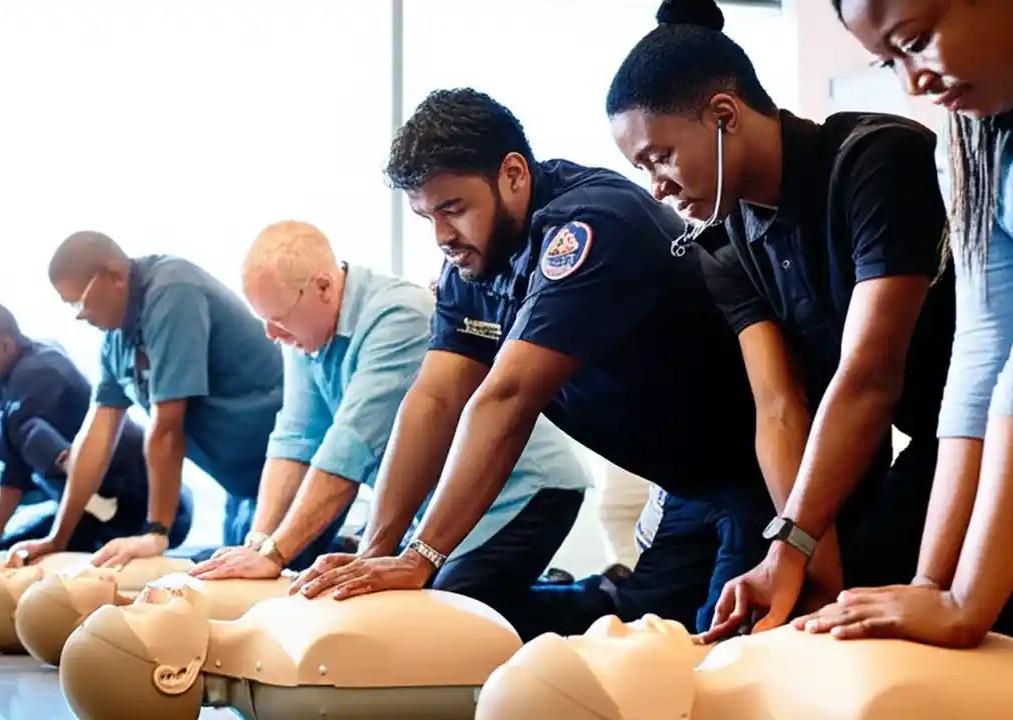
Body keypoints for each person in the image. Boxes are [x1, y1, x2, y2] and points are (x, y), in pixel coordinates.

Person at [289, 88, 773, 638]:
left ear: (514, 175)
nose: (443, 236)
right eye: (427, 217)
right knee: (647, 648)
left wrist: (422, 556)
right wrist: (377, 551)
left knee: (725, 658)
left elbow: (507, 400)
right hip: (690, 484)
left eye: (454, 209)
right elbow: (435, 399)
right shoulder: (471, 267)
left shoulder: (590, 226)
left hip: (765, 471)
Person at [606, 0, 954, 644]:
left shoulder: (875, 161)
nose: (656, 187)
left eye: (660, 157)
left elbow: (869, 376)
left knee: (890, 609)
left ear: (723, 115)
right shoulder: (726, 243)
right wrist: (806, 555)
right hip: (929, 443)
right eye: (641, 169)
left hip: (1001, 427)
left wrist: (795, 543)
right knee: (806, 614)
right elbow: (779, 406)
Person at [792, 0, 1013, 682]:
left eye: (917, 42)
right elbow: (985, 350)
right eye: (890, 60)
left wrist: (965, 604)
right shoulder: (977, 134)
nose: (913, 84)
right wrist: (931, 584)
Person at [188, 221, 589, 639]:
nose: (272, 335)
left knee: (442, 619)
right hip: (444, 510)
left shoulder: (399, 315)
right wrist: (259, 544)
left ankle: (597, 599)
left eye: (278, 318)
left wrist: (277, 552)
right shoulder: (303, 337)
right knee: (408, 605)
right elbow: (294, 440)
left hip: (524, 490)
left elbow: (350, 447)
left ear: (323, 287)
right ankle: (549, 588)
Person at [10, 232, 284, 568]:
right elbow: (95, 440)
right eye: (69, 305)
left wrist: (156, 532)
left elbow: (168, 424)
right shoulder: (115, 341)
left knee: (284, 583)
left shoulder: (172, 292)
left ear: (115, 276)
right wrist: (58, 538)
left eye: (79, 301)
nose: (79, 315)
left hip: (289, 470)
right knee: (229, 575)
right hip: (242, 486)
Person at [0, 302, 192, 554]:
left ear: (4, 345)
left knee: (15, 551)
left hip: (148, 512)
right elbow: (9, 470)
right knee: (8, 547)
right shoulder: (19, 374)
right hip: (100, 513)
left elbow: (13, 467)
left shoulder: (38, 376)